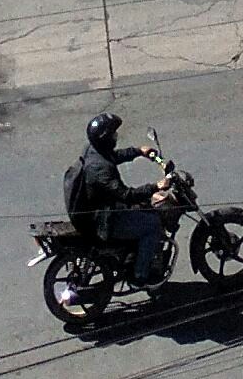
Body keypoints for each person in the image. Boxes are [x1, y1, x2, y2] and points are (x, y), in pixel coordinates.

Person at [64, 108, 169, 285]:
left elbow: (112, 156)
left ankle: (135, 255)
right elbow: (126, 195)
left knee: (144, 208)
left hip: (98, 207)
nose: (116, 137)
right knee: (153, 224)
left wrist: (138, 151)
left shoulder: (93, 150)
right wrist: (155, 187)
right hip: (104, 219)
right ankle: (141, 275)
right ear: (105, 138)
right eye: (113, 134)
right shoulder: (101, 170)